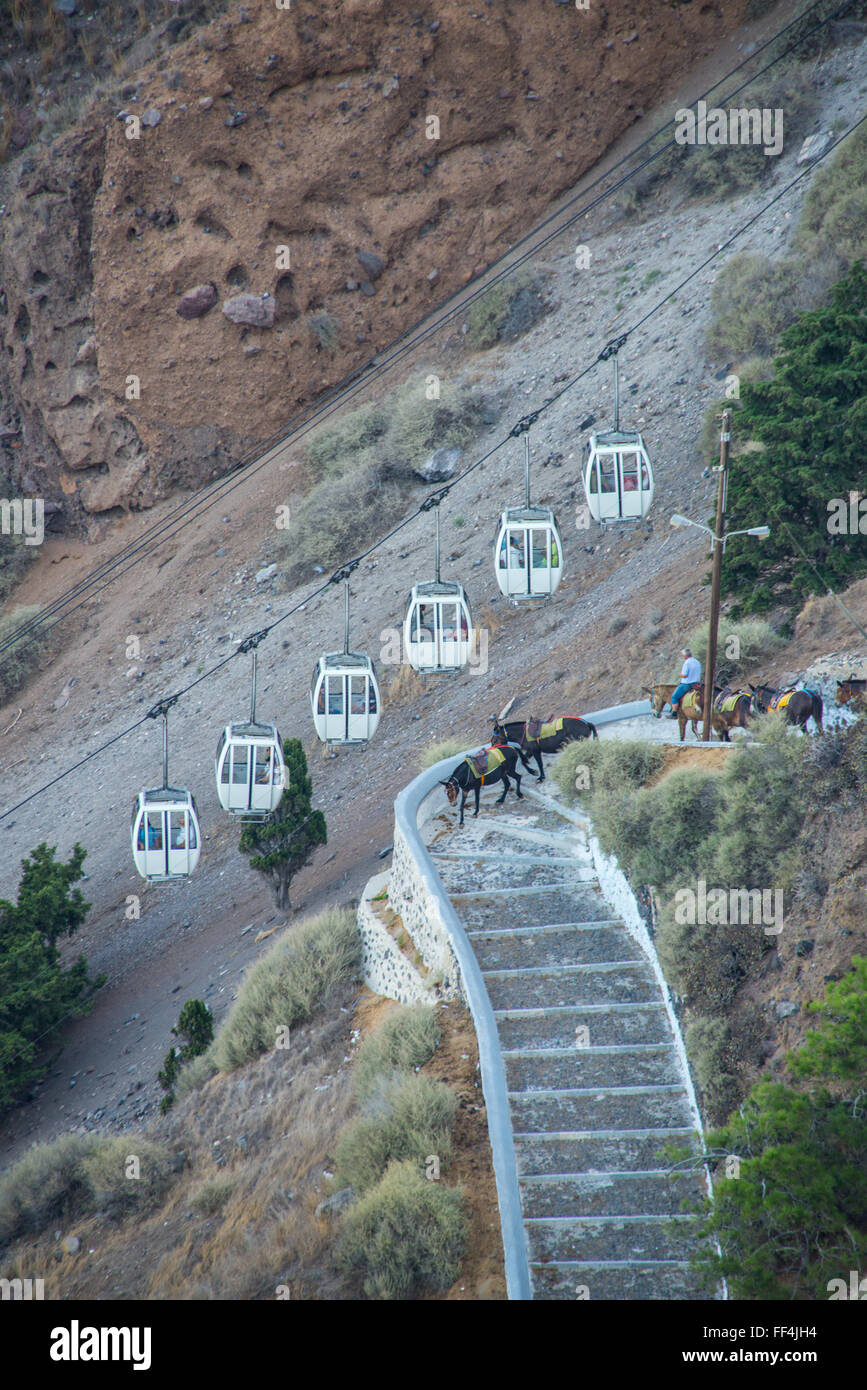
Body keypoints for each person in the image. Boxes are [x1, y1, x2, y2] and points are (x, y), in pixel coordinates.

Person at [670, 648, 702, 718]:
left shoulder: (687, 662)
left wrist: (680, 674)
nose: (683, 656)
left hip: (687, 684)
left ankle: (674, 712)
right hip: (696, 683)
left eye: (683, 655)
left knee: (674, 696)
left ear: (685, 655)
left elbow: (684, 675)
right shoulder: (697, 662)